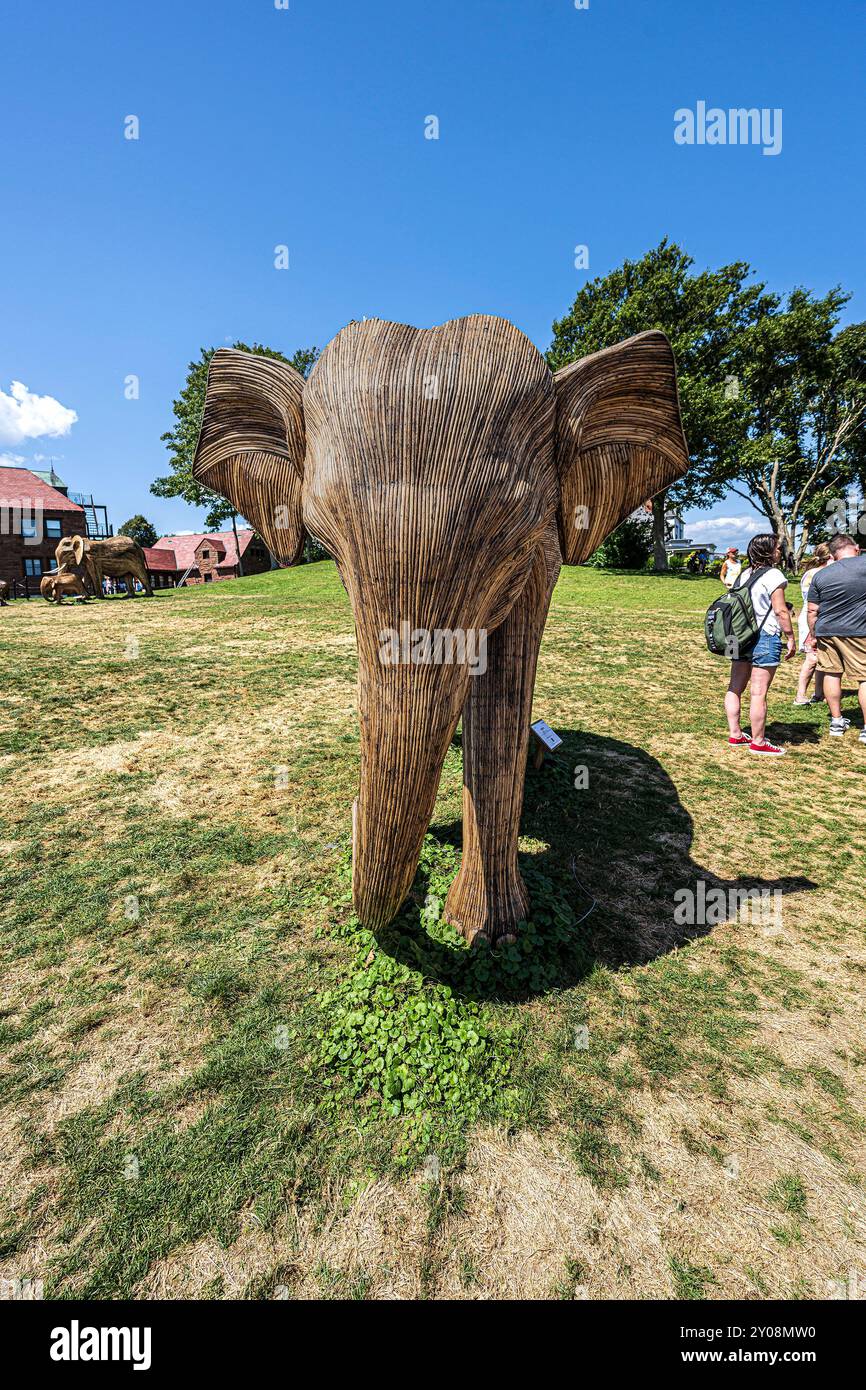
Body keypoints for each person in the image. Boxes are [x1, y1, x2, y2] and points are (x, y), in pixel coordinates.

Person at [724, 533, 796, 756]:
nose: (779, 552)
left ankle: (735, 734)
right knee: (758, 692)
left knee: (734, 686)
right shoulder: (774, 574)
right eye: (776, 548)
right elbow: (780, 610)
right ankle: (758, 742)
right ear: (768, 551)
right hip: (764, 636)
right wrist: (791, 637)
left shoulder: (743, 574)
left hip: (737, 635)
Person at [804, 532, 866, 742]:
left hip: (826, 631)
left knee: (831, 673)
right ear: (855, 548)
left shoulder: (821, 575)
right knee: (864, 678)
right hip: (858, 631)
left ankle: (837, 721)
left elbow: (812, 610)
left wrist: (813, 635)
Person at [793, 543, 832, 706]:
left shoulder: (820, 572)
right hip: (813, 620)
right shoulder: (814, 574)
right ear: (830, 557)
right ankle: (800, 695)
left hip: (822, 618)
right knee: (812, 658)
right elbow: (813, 601)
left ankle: (818, 693)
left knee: (821, 657)